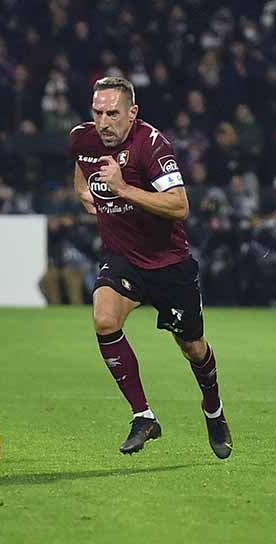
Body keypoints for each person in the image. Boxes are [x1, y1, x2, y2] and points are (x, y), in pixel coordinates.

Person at [69, 76, 232, 458]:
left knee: (193, 348)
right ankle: (143, 416)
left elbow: (179, 205)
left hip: (168, 262)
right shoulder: (83, 138)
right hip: (122, 257)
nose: (104, 122)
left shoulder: (152, 145)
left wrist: (123, 188)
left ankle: (214, 409)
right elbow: (82, 163)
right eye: (98, 113)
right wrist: (83, 191)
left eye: (112, 113)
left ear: (132, 113)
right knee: (104, 319)